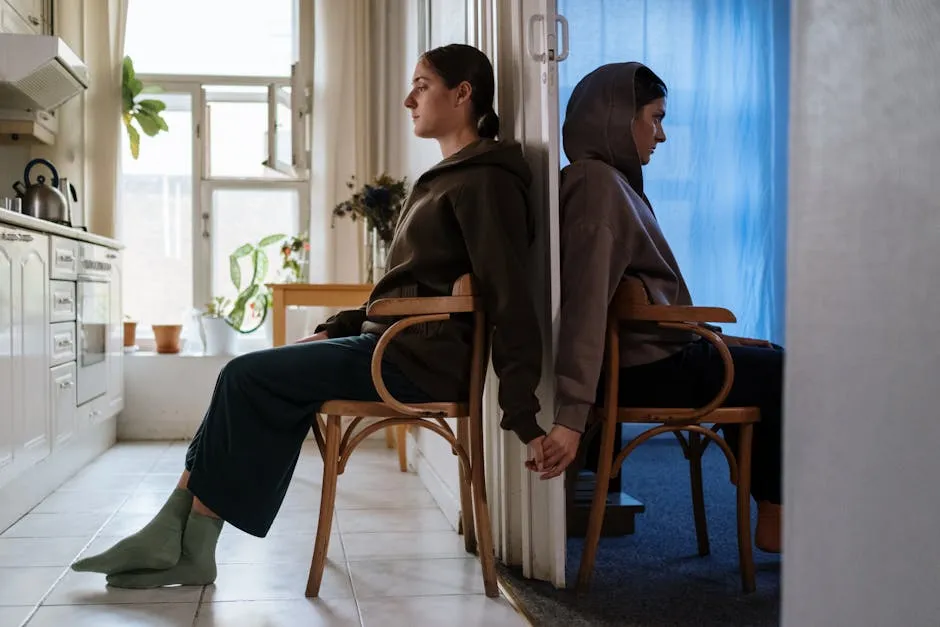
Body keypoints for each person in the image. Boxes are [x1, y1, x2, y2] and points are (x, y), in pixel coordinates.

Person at [71, 43, 548, 588]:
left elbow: (510, 299)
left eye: (422, 84)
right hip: (389, 345)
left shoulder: (485, 181)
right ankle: (183, 533)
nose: (407, 98)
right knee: (253, 376)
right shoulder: (452, 175)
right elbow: (402, 288)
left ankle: (185, 535)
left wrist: (525, 417)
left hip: (412, 360)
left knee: (246, 375)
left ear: (462, 94)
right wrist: (337, 327)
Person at [541, 62, 783, 553]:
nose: (662, 134)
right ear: (618, 119)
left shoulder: (604, 183)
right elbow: (586, 304)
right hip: (645, 367)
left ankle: (774, 507)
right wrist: (571, 415)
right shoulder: (597, 189)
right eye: (655, 118)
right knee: (780, 370)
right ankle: (777, 515)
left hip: (649, 356)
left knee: (763, 357)